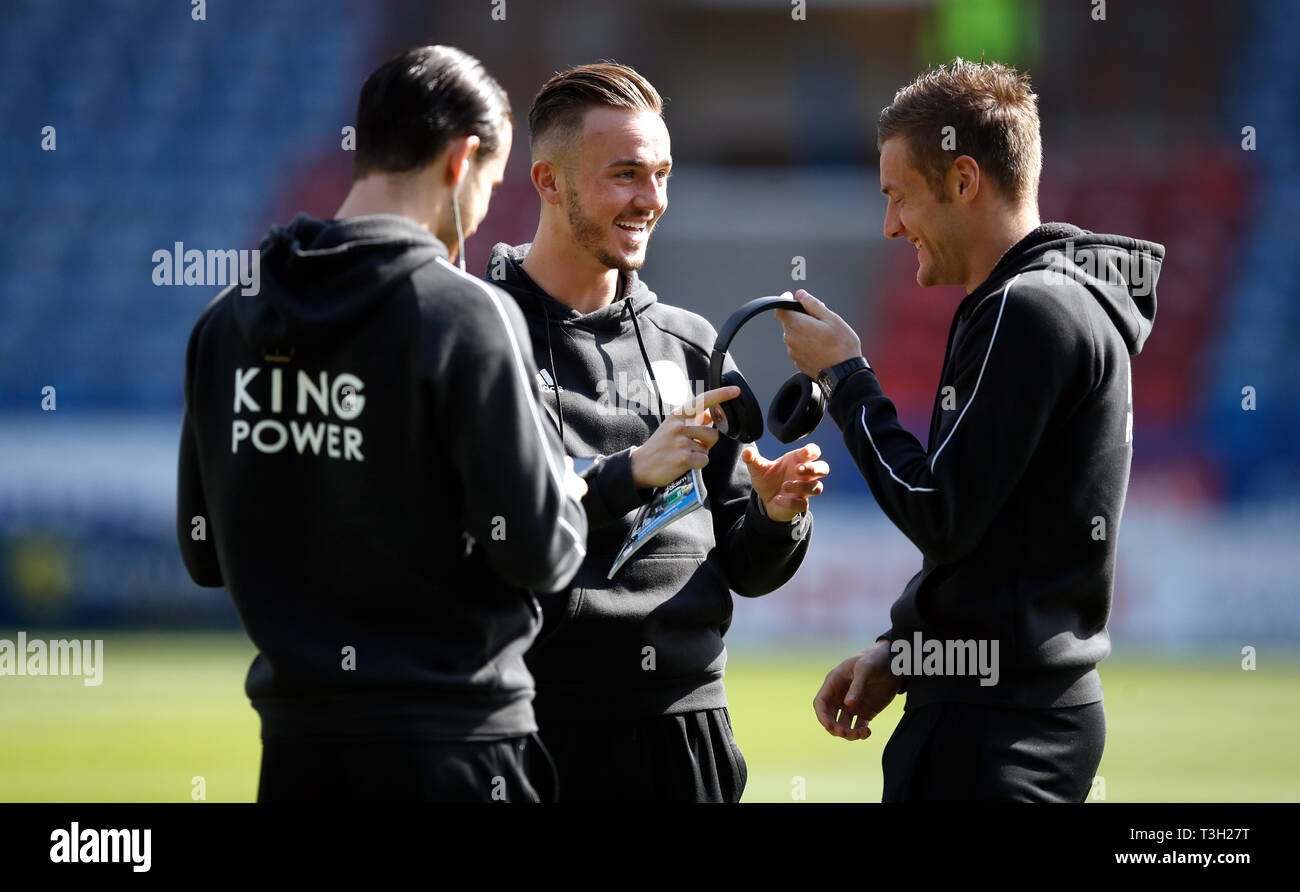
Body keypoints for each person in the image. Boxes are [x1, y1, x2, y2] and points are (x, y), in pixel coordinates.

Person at [176, 45, 588, 803]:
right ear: (462, 161)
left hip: (299, 753)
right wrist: (568, 480)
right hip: (456, 746)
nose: (484, 217)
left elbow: (204, 556)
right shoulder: (466, 315)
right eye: (492, 187)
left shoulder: (225, 319)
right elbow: (542, 554)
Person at [778, 58, 1161, 802]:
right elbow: (1001, 545)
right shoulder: (1053, 299)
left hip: (996, 733)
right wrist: (910, 654)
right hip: (1013, 709)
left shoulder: (1029, 309)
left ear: (962, 180)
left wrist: (847, 379)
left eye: (899, 198)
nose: (890, 226)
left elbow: (940, 512)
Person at [485, 62, 829, 802]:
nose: (652, 200)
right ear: (549, 183)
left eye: (662, 174)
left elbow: (745, 566)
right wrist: (629, 473)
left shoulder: (692, 342)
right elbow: (484, 537)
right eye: (626, 175)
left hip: (687, 731)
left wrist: (774, 516)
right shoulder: (478, 336)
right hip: (530, 731)